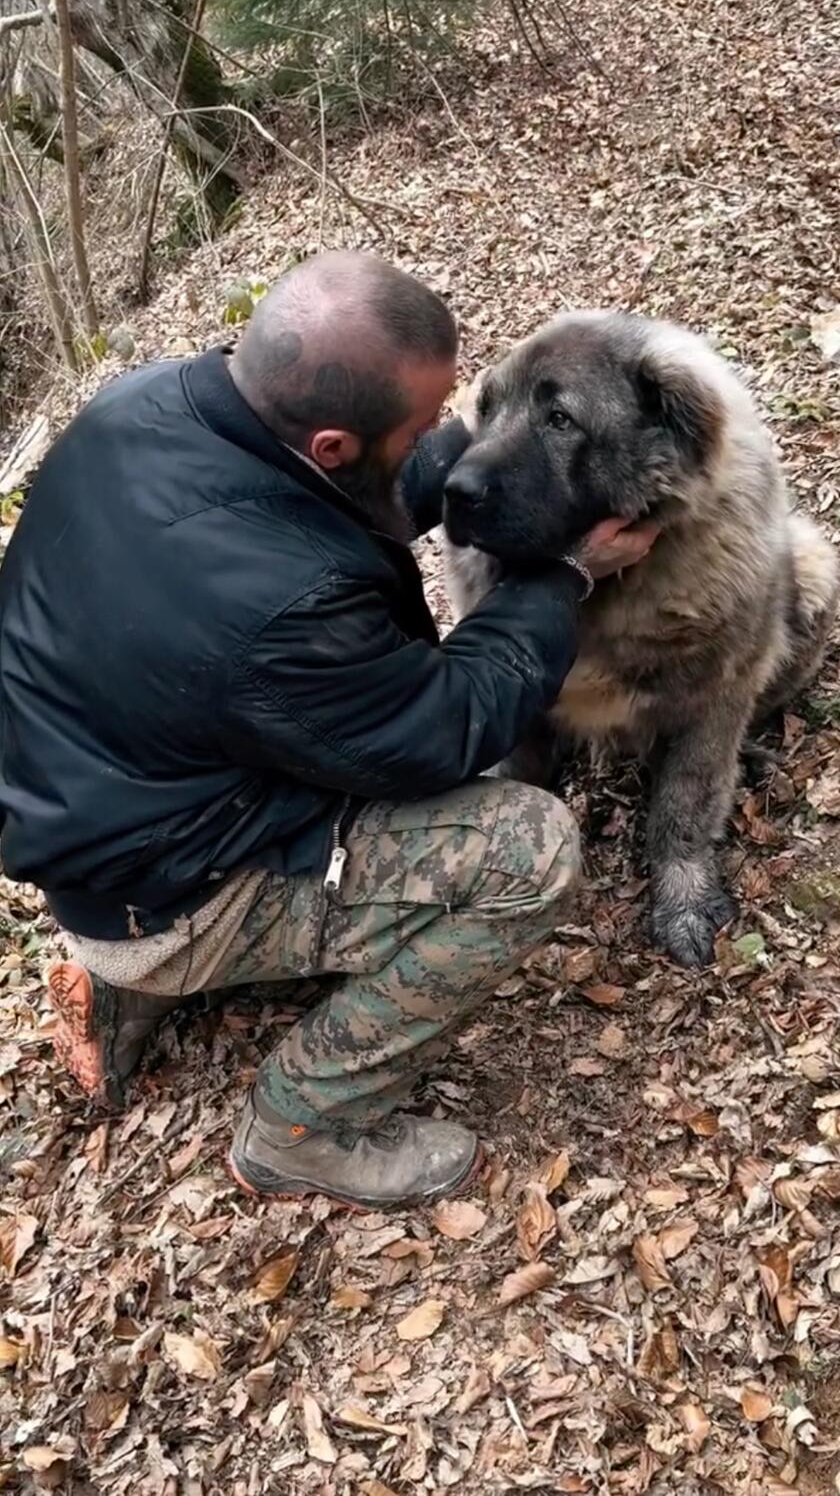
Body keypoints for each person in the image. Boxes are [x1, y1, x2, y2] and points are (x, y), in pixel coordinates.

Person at [0, 252, 657, 1209]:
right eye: (424, 428)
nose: (442, 440)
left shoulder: (147, 405)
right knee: (529, 850)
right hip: (170, 896)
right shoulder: (278, 608)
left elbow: (348, 496)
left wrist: (482, 460)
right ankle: (303, 1122)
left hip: (104, 809)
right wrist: (564, 575)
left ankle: (122, 991)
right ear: (335, 444)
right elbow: (446, 728)